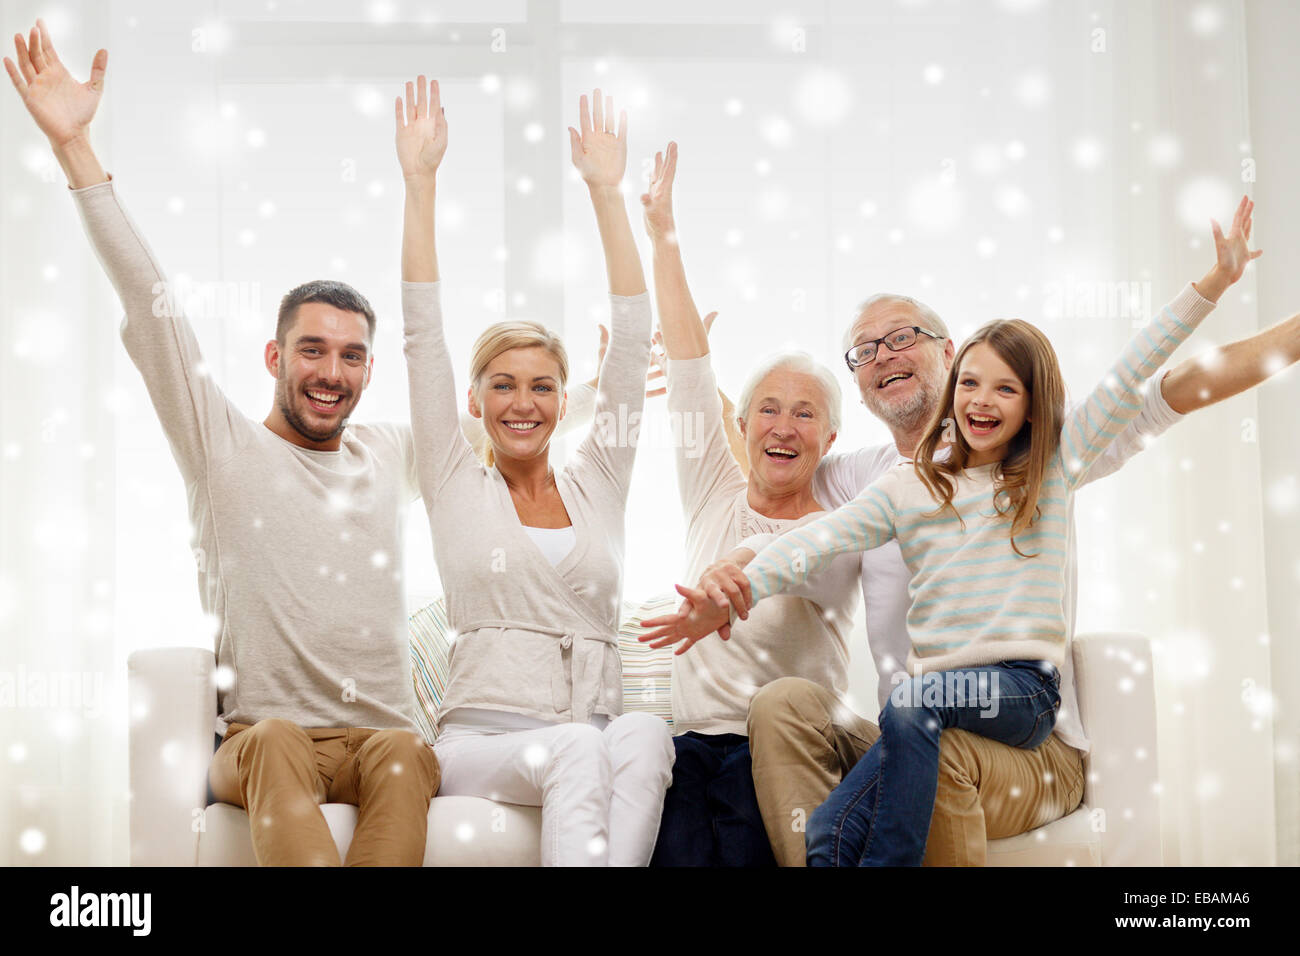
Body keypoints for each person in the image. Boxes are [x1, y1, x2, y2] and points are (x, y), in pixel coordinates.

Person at [643, 197, 1262, 865]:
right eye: (866, 349)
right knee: (788, 708)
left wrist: (1220, 295)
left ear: (948, 353)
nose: (884, 354)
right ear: (858, 389)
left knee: (931, 740)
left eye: (902, 336)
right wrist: (731, 568)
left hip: (1021, 741)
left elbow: (1152, 392)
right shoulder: (870, 480)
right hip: (900, 731)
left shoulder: (1038, 457)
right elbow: (781, 496)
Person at [4, 21, 440, 865]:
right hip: (263, 743)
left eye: (351, 356)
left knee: (404, 753)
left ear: (368, 372)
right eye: (312, 349)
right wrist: (77, 151)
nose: (330, 372)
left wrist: (586, 391)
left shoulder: (390, 454)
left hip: (379, 735)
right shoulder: (222, 447)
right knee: (275, 736)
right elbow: (149, 299)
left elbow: (506, 426)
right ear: (276, 357)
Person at [395, 77, 674, 866]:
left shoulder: (598, 485)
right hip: (482, 738)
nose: (524, 402)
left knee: (648, 732)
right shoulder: (456, 482)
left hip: (584, 726)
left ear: (563, 399)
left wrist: (606, 194)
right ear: (475, 401)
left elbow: (632, 332)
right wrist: (421, 184)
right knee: (580, 751)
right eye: (504, 385)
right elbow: (422, 335)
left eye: (542, 385)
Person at [639, 143, 863, 866]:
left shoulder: (839, 527)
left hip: (779, 746)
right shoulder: (714, 486)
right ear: (742, 426)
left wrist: (733, 570)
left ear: (829, 436)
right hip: (691, 742)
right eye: (768, 408)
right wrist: (662, 232)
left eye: (804, 415)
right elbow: (688, 366)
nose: (783, 426)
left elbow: (779, 560)